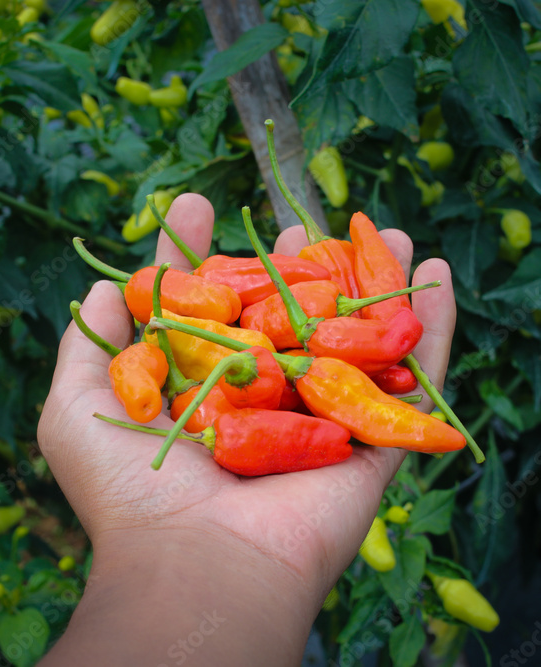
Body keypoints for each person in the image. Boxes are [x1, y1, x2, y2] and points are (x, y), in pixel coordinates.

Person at [37, 193, 456, 666]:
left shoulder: (262, 344)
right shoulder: (227, 358)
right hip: (260, 369)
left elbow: (384, 343)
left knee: (381, 373)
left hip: (280, 360)